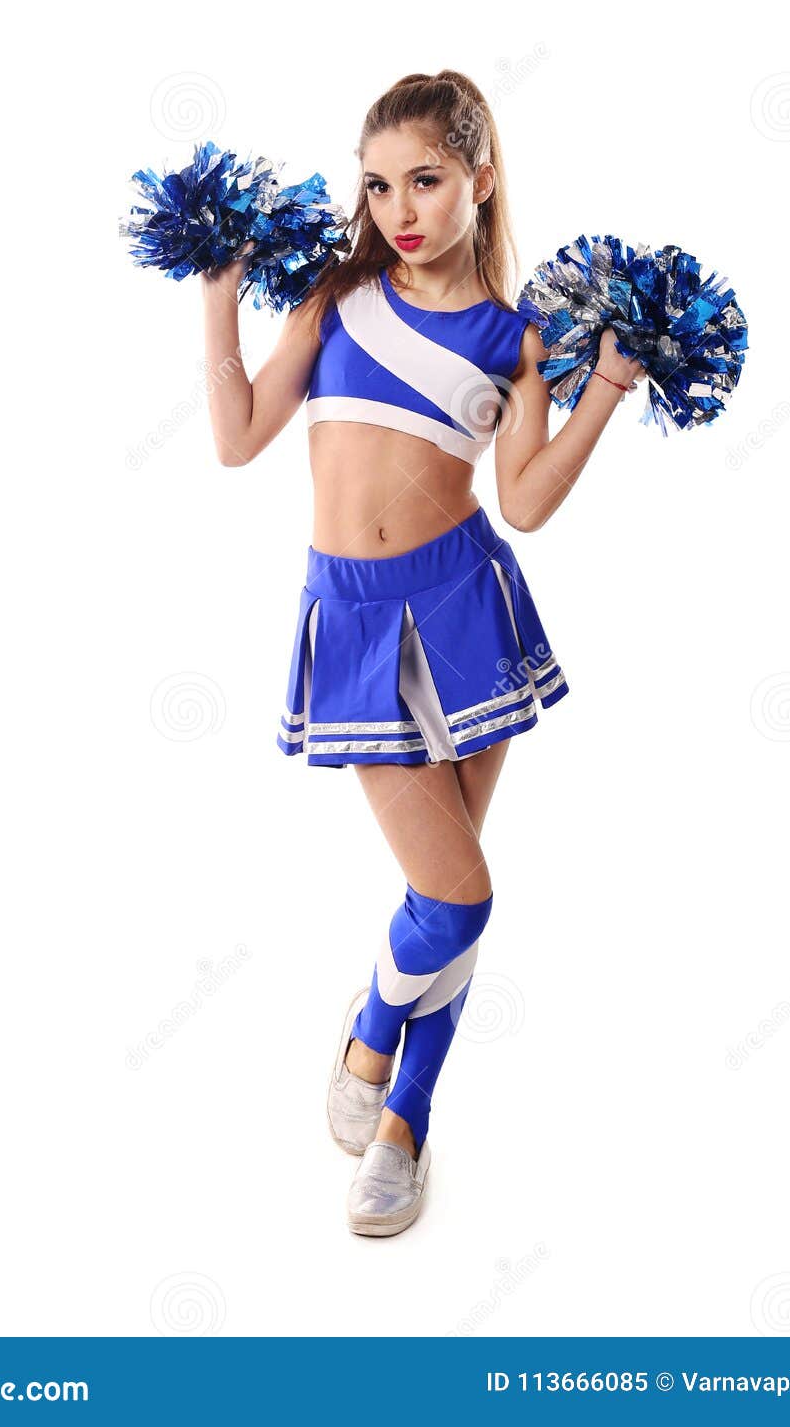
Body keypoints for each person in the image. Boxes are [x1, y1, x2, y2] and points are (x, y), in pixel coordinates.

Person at [200, 70, 644, 1237]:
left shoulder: (519, 337)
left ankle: (402, 1116)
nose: (400, 206)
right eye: (380, 183)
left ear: (480, 179)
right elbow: (240, 437)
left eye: (427, 179)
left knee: (443, 892)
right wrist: (218, 293)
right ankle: (376, 1035)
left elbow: (528, 499)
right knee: (456, 897)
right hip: (351, 618)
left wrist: (602, 386)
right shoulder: (337, 297)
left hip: (463, 610)